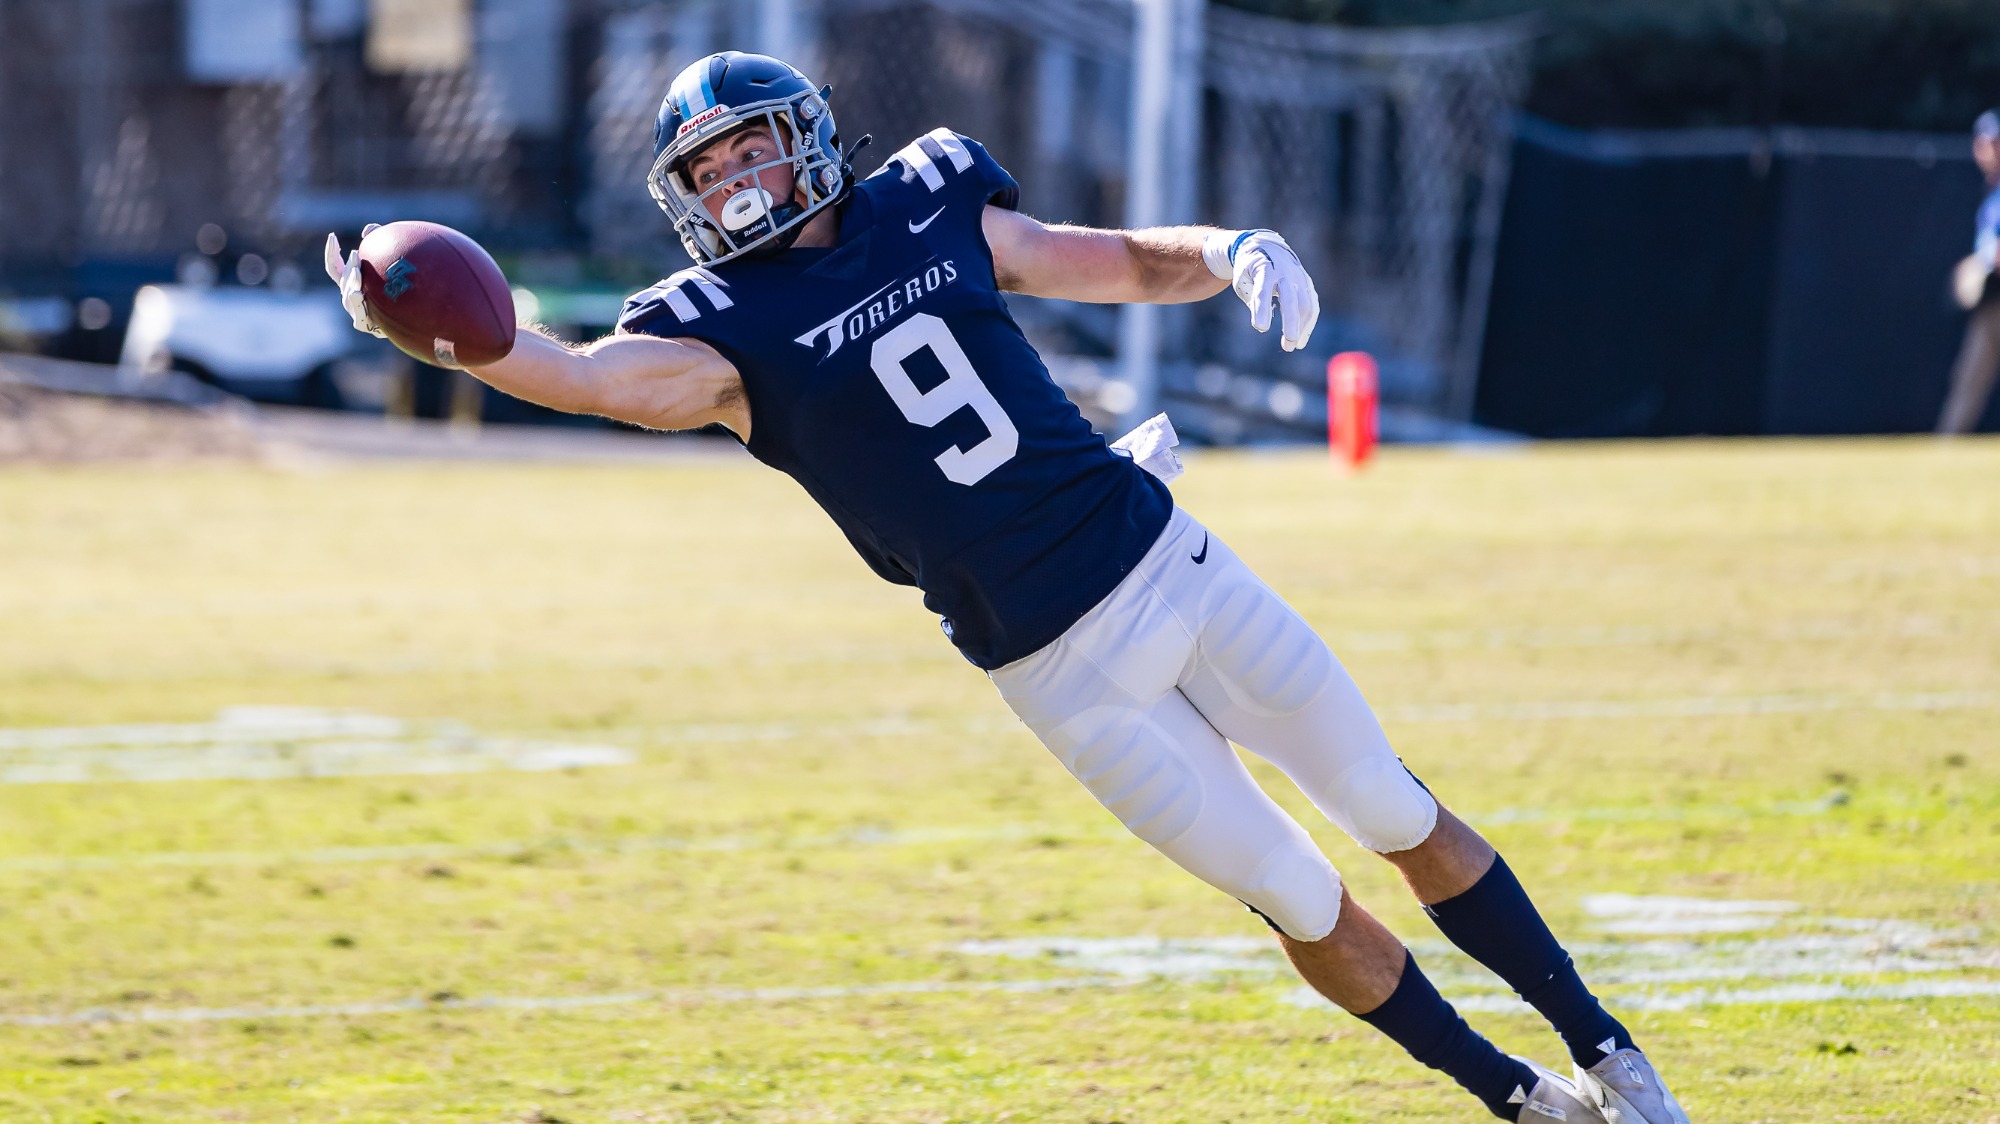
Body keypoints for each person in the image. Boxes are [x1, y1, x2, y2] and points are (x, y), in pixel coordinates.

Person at [327, 51, 1688, 1124]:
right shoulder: (711, 331)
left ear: (805, 136)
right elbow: (569, 376)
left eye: (752, 146)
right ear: (685, 194)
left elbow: (1096, 259)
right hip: (1057, 674)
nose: (739, 179)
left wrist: (1224, 250)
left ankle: (1610, 1052)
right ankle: (1514, 1099)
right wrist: (445, 327)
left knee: (1391, 805)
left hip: (1165, 565)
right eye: (711, 166)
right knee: (1298, 898)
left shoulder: (928, 196)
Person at [1939, 108, 2000, 434]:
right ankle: (1944, 459)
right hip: (1990, 303)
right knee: (1967, 382)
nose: (1987, 150)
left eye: (1994, 143)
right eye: (1984, 143)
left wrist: (1982, 263)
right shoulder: (1991, 189)